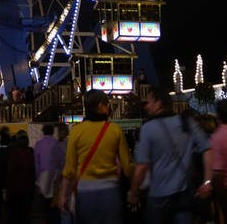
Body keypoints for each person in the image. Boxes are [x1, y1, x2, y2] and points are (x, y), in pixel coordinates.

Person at [127, 86, 212, 223]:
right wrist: (207, 182)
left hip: (158, 197)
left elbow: (142, 166)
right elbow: (207, 149)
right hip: (184, 194)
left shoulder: (148, 128)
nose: (146, 107)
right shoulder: (187, 122)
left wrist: (133, 193)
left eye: (149, 102)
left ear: (158, 103)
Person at [58, 89, 133, 224]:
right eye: (107, 104)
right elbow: (127, 167)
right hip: (110, 192)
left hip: (85, 193)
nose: (108, 107)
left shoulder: (76, 131)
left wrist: (63, 194)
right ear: (100, 106)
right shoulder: (115, 130)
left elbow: (69, 168)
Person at [4, 128, 36, 224]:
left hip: (14, 190)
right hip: (28, 189)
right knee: (26, 215)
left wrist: (6, 189)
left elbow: (9, 172)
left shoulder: (12, 154)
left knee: (15, 215)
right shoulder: (31, 152)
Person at [35, 122, 62, 223]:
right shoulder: (57, 143)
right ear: (53, 132)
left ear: (43, 132)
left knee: (45, 203)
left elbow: (36, 163)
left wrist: (37, 179)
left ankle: (48, 220)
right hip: (56, 175)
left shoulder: (39, 144)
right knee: (55, 201)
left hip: (43, 175)